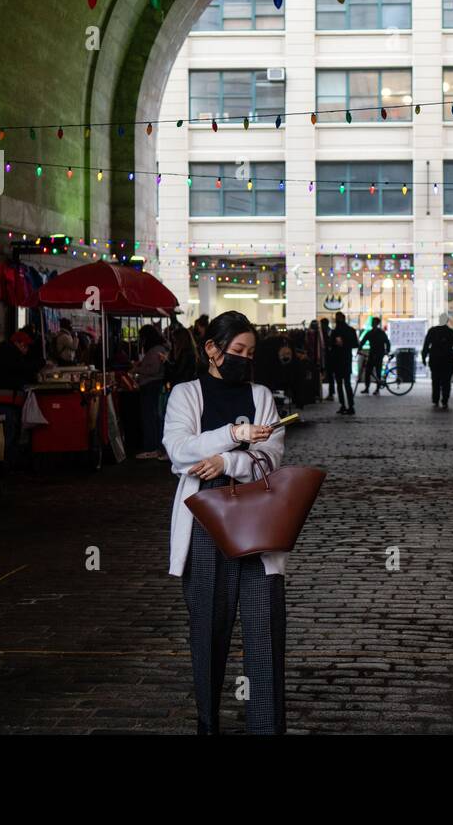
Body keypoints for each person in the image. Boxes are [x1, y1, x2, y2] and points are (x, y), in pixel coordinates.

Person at [162, 311, 286, 734]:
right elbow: (179, 451)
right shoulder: (186, 394)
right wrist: (236, 435)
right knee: (207, 634)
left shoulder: (262, 394)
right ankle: (207, 724)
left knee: (264, 632)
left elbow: (271, 456)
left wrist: (225, 461)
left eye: (250, 353)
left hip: (257, 524)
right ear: (212, 349)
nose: (243, 359)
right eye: (236, 350)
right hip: (203, 523)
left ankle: (267, 726)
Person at [0, 330, 36, 465]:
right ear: (17, 343)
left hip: (8, 400)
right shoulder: (11, 356)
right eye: (25, 345)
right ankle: (5, 465)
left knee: (9, 434)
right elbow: (21, 371)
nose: (26, 349)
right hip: (7, 401)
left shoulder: (7, 354)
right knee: (9, 434)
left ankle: (6, 464)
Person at [133, 324, 169, 460]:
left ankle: (152, 448)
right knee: (153, 417)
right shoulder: (160, 348)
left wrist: (138, 369)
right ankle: (155, 447)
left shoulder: (155, 350)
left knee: (150, 417)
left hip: (150, 386)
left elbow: (153, 370)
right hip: (154, 385)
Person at [422, 314, 453, 409]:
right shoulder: (450, 332)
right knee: (446, 382)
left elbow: (426, 345)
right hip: (447, 360)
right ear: (447, 321)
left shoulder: (432, 331)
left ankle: (435, 400)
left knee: (435, 381)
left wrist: (424, 357)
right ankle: (445, 400)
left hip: (435, 360)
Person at [330, 311, 358, 415]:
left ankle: (344, 405)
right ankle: (349, 406)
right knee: (346, 384)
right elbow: (355, 344)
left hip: (338, 360)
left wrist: (341, 344)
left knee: (341, 384)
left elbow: (330, 345)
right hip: (345, 360)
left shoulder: (335, 331)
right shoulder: (350, 330)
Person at [358, 316, 390, 395]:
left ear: (377, 323)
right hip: (372, 354)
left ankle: (377, 389)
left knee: (378, 372)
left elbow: (387, 342)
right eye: (373, 322)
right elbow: (363, 341)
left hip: (379, 354)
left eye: (374, 322)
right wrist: (359, 348)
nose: (373, 324)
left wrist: (387, 351)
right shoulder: (370, 332)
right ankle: (367, 388)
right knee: (368, 372)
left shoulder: (381, 333)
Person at [319, 317, 335, 400]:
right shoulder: (328, 332)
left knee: (329, 375)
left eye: (321, 324)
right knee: (329, 376)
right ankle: (331, 393)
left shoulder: (327, 332)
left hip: (328, 358)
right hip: (329, 357)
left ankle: (331, 393)